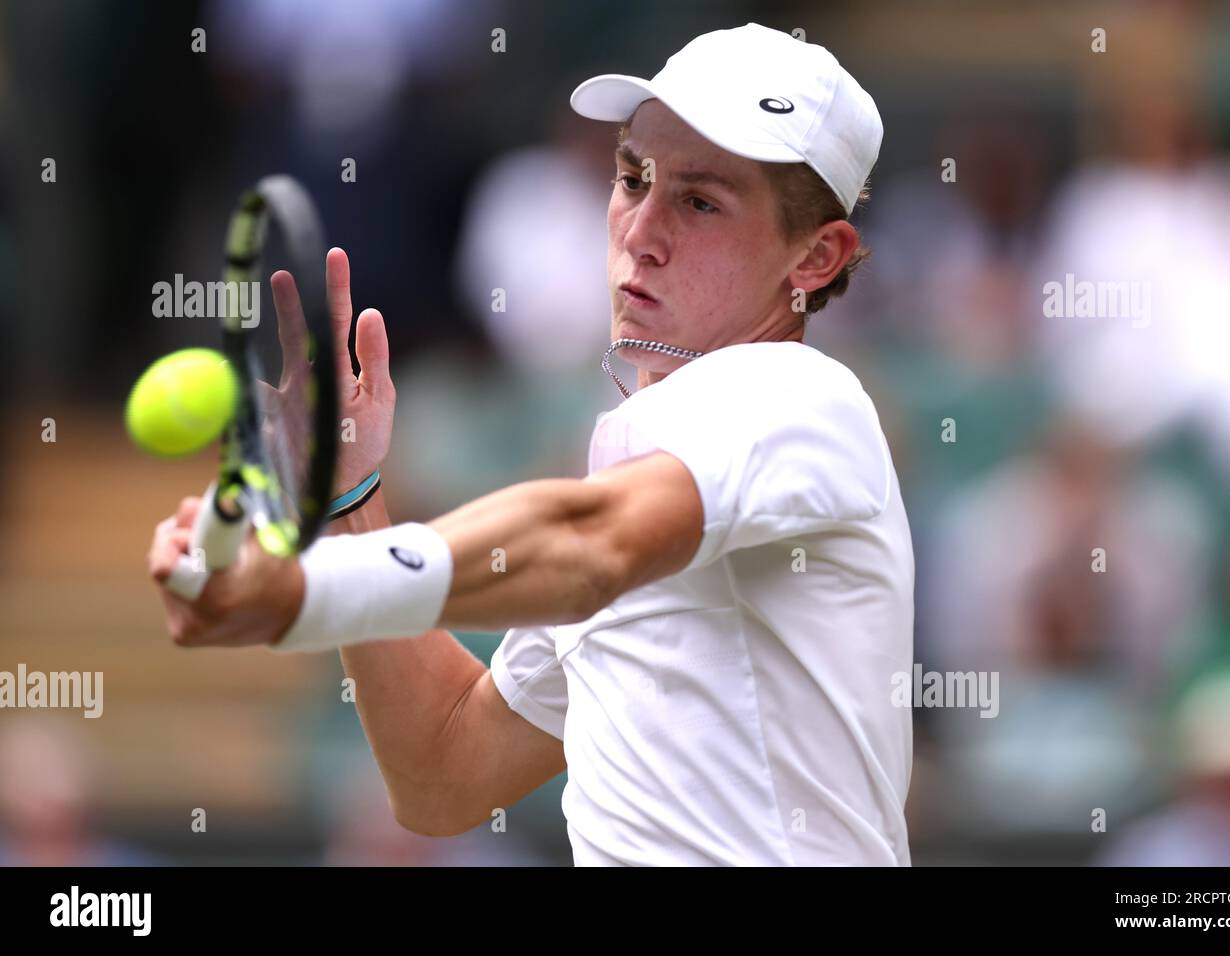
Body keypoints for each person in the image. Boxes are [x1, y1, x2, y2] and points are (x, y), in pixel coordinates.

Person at [148, 22, 914, 866]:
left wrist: (303, 585)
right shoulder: (646, 462)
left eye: (700, 201)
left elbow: (589, 543)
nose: (640, 230)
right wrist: (346, 502)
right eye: (633, 179)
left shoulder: (800, 395)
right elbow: (446, 773)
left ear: (815, 256)